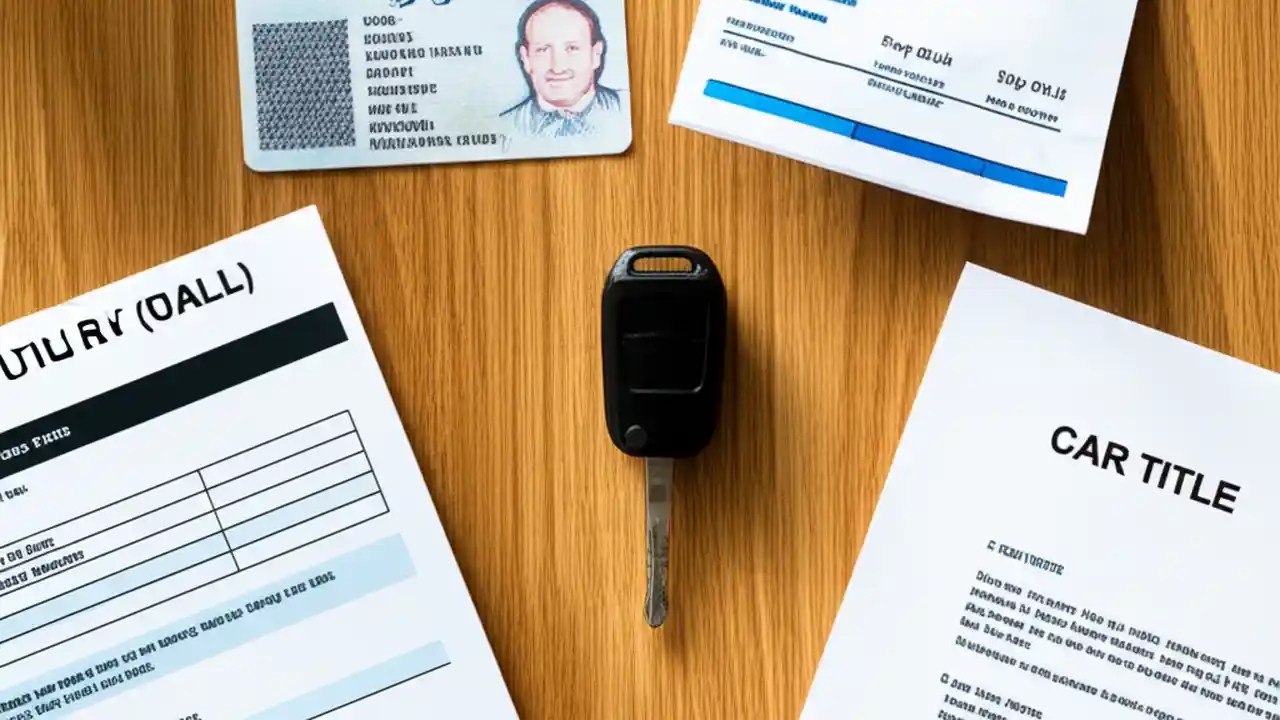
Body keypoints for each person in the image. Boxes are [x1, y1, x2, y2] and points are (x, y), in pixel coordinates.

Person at [501, 0, 623, 138]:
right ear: (526, 58)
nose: (558, 68)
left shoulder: (630, 110)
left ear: (596, 54)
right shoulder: (504, 128)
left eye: (572, 48)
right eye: (543, 50)